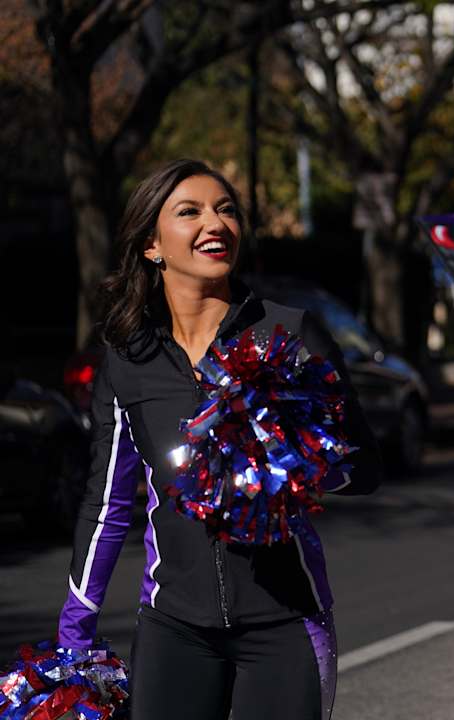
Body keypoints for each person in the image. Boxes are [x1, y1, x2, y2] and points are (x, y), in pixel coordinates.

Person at [56, 159, 381, 720]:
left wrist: (293, 464)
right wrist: (75, 629)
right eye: (191, 211)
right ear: (152, 245)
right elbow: (106, 503)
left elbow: (365, 468)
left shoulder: (289, 333)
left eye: (226, 209)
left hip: (285, 621)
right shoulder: (127, 359)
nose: (216, 222)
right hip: (172, 626)